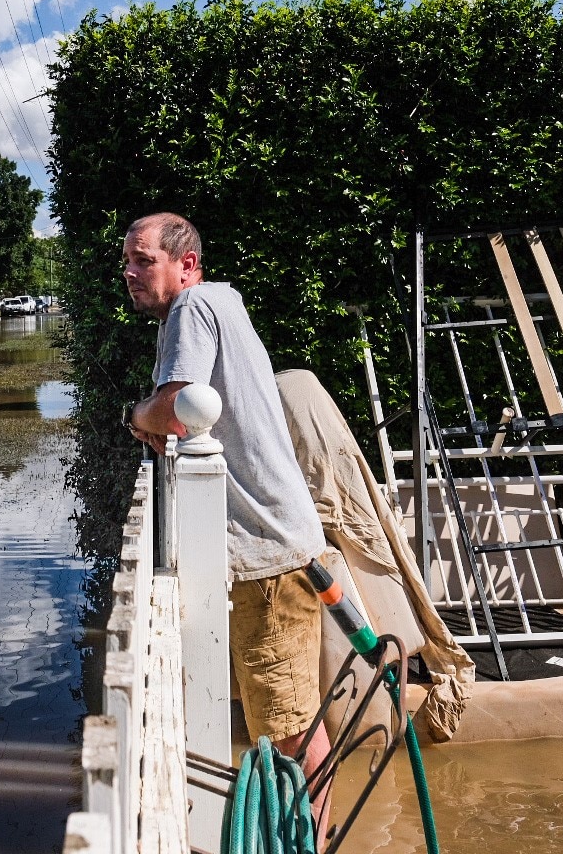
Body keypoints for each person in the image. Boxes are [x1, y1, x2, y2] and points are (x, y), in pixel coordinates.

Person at [122, 212, 333, 823]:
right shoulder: (220, 304)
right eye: (128, 262)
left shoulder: (191, 310)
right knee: (283, 721)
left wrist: (139, 417)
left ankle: (314, 839)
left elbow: (176, 409)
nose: (130, 273)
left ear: (186, 263)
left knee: (293, 731)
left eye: (144, 260)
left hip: (267, 558)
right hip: (273, 549)